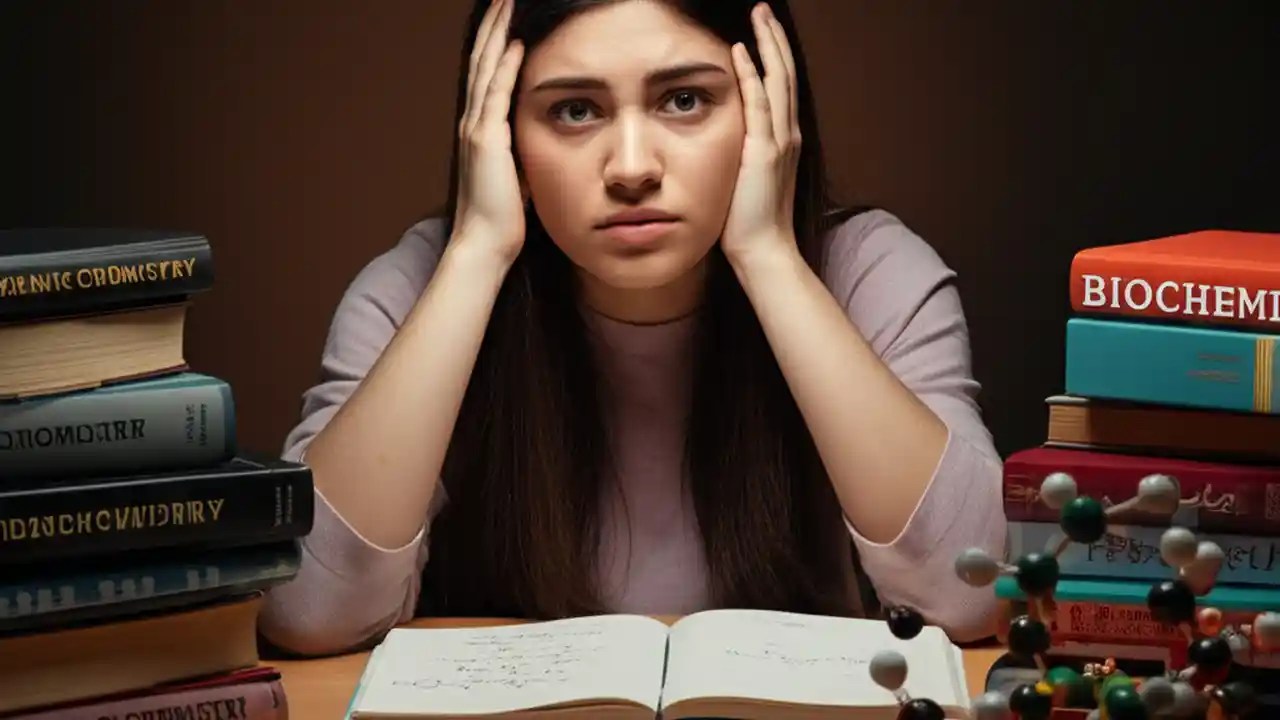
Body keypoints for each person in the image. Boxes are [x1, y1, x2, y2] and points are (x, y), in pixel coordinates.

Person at [259, 0, 1006, 657]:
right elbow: (309, 613)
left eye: (684, 100)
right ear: (501, 137)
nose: (631, 167)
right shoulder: (420, 287)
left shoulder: (870, 273)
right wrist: (478, 248)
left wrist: (770, 256)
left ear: (770, 113)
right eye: (575, 111)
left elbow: (973, 589)